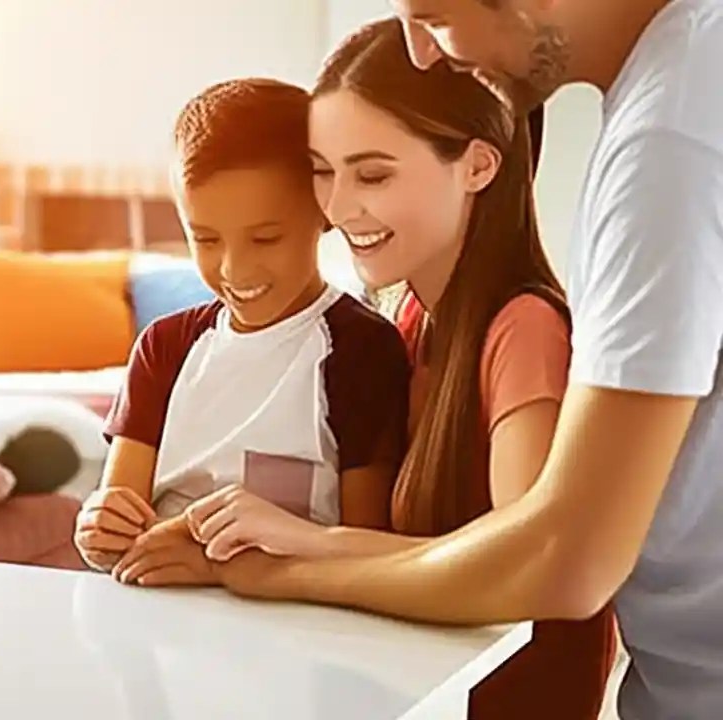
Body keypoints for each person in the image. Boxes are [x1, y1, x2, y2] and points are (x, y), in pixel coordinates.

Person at [209, 2, 723, 718]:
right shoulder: (667, 100)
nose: (423, 51)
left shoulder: (670, 139)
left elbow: (561, 560)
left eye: (433, 14)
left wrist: (290, 568)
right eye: (324, 172)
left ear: (479, 166)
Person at [71, 78, 412, 585]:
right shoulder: (164, 348)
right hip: (155, 614)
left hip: (292, 621)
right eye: (206, 239)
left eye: (266, 238)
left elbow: (365, 548)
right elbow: (119, 524)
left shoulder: (361, 350)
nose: (235, 269)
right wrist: (98, 531)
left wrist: (218, 565)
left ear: (324, 212)